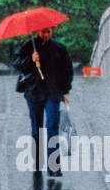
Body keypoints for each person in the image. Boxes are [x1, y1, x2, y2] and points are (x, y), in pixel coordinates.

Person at [12, 27, 73, 176]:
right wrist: (30, 60)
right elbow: (16, 63)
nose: (46, 35)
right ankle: (37, 163)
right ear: (38, 31)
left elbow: (67, 70)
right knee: (36, 128)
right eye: (43, 32)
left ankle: (53, 165)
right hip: (34, 92)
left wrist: (65, 90)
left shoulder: (59, 48)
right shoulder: (29, 46)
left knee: (52, 126)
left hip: (53, 92)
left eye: (48, 32)